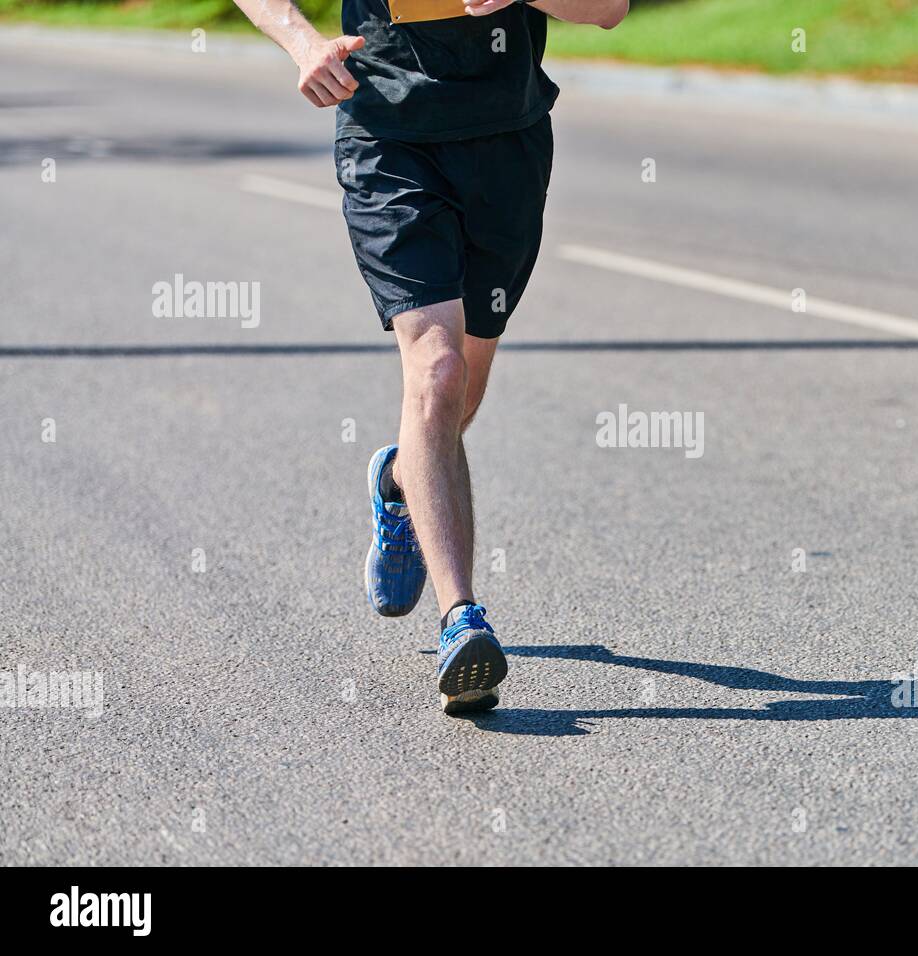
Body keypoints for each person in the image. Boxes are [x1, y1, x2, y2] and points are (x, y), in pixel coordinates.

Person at [234, 0, 628, 713]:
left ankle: (398, 482)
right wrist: (301, 42)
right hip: (388, 138)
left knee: (461, 395)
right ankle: (462, 621)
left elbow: (608, 10)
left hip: (506, 145)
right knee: (438, 371)